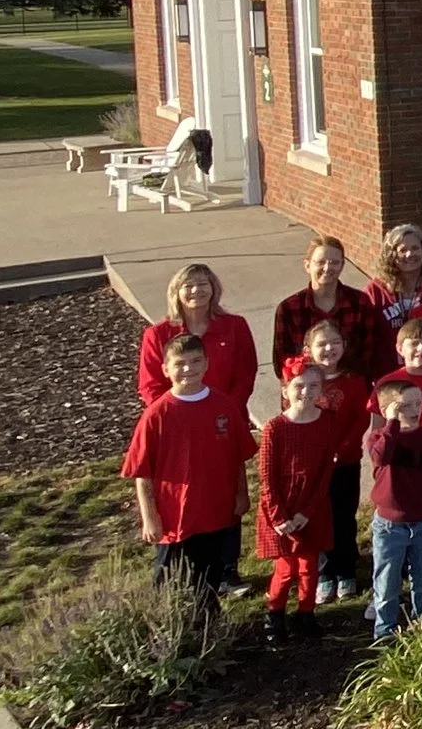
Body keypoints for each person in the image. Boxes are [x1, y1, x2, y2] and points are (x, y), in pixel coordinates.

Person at [123, 334, 254, 602]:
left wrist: (242, 493)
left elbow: (238, 456)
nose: (188, 369)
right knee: (170, 578)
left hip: (216, 510)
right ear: (165, 369)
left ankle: (207, 625)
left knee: (210, 574)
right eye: (180, 363)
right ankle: (169, 630)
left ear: (207, 364)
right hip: (175, 516)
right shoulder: (157, 414)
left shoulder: (223, 405)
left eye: (195, 361)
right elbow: (142, 472)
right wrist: (150, 517)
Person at [287, 319, 371, 604]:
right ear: (308, 349)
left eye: (335, 343)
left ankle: (346, 570)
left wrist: (341, 448)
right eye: (322, 344)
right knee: (318, 517)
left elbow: (361, 419)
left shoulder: (354, 381)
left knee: (344, 516)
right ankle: (324, 573)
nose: (329, 349)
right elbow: (291, 417)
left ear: (344, 346)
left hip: (345, 462)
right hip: (312, 464)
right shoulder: (303, 381)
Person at [256, 365, 336, 641]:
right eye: (299, 386)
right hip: (282, 507)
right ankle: (274, 612)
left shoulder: (326, 421)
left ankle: (306, 613)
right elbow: (267, 477)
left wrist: (307, 512)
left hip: (311, 507)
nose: (306, 392)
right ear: (285, 390)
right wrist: (280, 517)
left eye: (313, 386)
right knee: (286, 568)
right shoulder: (275, 428)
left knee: (309, 567)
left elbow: (326, 470)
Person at [365, 377, 422, 641]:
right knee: (387, 579)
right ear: (388, 410)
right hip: (390, 524)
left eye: (417, 402)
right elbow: (380, 457)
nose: (414, 409)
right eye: (405, 406)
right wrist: (391, 424)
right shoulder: (380, 438)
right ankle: (384, 629)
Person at [136, 262, 259, 413]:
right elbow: (150, 385)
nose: (196, 290)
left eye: (202, 284)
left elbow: (245, 376)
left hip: (226, 416)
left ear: (213, 289)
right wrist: (173, 413)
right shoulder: (157, 334)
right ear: (176, 293)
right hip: (176, 419)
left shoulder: (235, 326)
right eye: (187, 286)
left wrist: (226, 409)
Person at [274, 235, 385, 383]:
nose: (327, 268)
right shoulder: (289, 308)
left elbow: (370, 355)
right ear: (307, 265)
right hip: (306, 392)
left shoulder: (359, 302)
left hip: (351, 389)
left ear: (342, 265)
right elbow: (282, 361)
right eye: (320, 262)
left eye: (334, 262)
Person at [367, 224, 422, 338]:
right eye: (402, 250)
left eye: (415, 248)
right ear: (391, 255)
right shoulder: (376, 290)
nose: (409, 254)